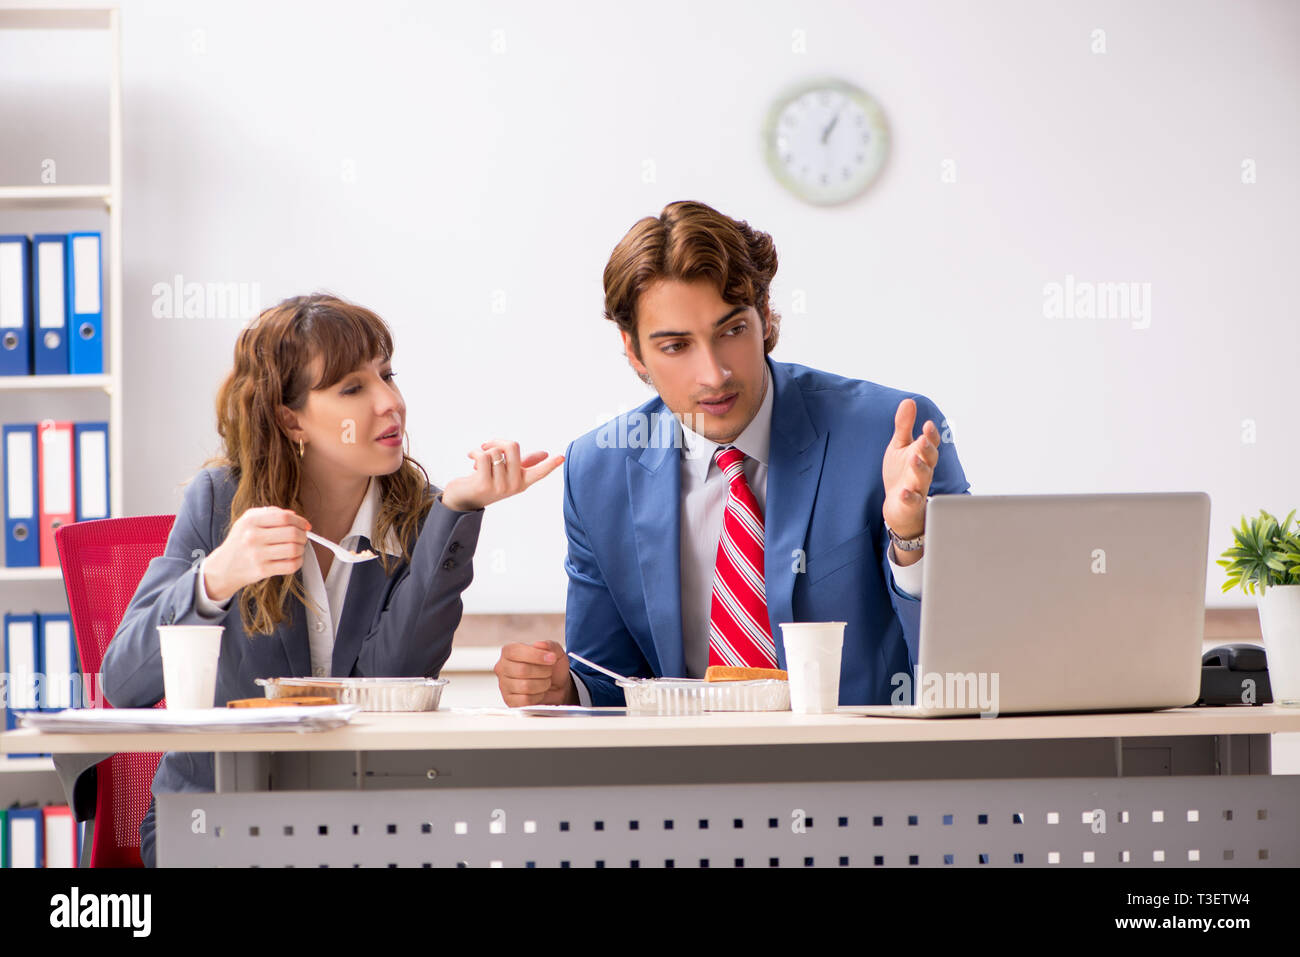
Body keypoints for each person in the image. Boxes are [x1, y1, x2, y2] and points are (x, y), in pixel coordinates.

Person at [102, 293, 562, 865]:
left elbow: (393, 683)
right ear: (289, 418)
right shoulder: (222, 502)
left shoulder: (422, 515)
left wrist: (459, 509)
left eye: (387, 376)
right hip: (219, 821)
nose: (390, 402)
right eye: (353, 388)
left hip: (363, 827)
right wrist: (215, 577)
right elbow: (123, 683)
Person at [494, 200, 970, 707]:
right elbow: (612, 679)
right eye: (676, 346)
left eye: (731, 331)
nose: (714, 373)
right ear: (633, 351)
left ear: (764, 316)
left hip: (868, 770)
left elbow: (967, 662)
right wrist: (564, 687)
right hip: (692, 774)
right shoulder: (599, 473)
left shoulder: (890, 435)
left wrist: (912, 539)